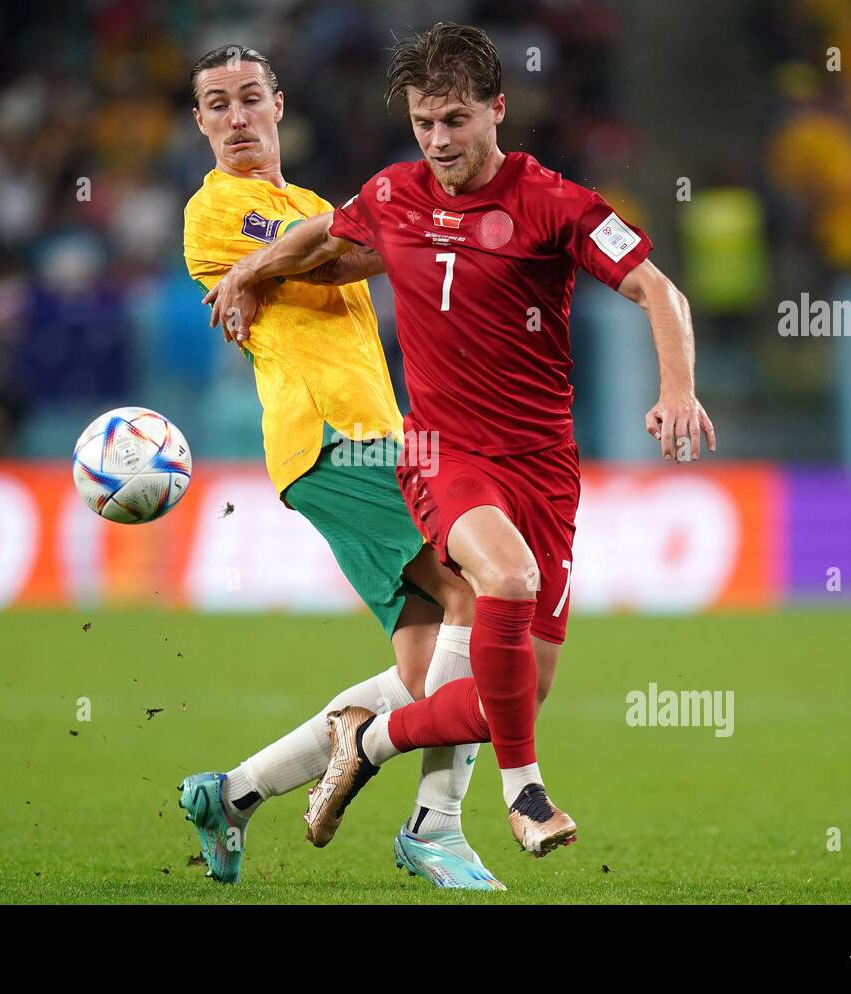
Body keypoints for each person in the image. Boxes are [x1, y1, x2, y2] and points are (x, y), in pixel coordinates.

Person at [206, 23, 716, 857]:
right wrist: (251, 270)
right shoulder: (395, 194)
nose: (437, 142)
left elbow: (660, 292)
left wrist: (678, 389)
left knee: (513, 692)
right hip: (445, 456)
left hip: (544, 468)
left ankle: (362, 740)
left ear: (496, 111)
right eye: (423, 124)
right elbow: (325, 242)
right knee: (503, 579)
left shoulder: (554, 203)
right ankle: (525, 798)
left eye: (453, 121)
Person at [176, 43, 503, 890]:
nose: (238, 116)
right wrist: (325, 243)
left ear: (280, 105)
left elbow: (363, 249)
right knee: (484, 590)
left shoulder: (313, 202)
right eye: (219, 104)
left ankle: (233, 793)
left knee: (426, 672)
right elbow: (341, 253)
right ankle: (437, 829)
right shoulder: (215, 212)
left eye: (251, 97)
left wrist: (358, 236)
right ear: (202, 122)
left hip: (378, 441)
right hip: (332, 438)